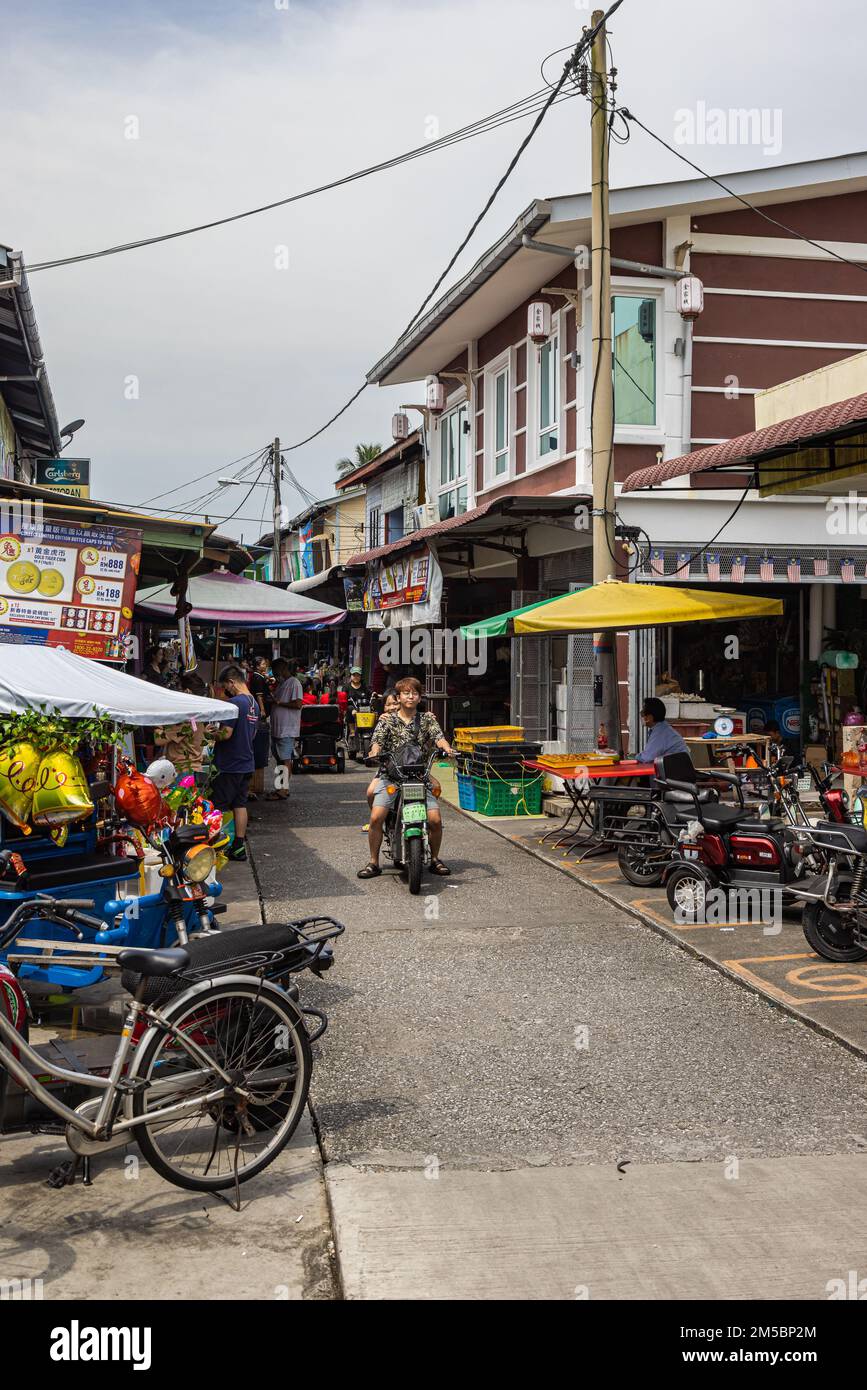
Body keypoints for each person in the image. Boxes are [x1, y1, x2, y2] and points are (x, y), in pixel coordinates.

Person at [358, 676, 455, 880]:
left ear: (420, 697)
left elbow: (439, 737)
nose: (410, 696)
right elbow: (377, 741)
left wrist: (447, 749)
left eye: (414, 693)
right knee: (376, 817)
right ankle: (374, 862)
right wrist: (375, 752)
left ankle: (435, 859)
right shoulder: (388, 720)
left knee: (435, 820)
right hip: (392, 776)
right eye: (406, 693)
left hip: (420, 777)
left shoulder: (428, 719)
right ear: (399, 697)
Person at [211, 665, 260, 861]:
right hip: (246, 761)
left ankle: (218, 845)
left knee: (219, 805)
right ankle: (239, 846)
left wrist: (210, 734)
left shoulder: (234, 704)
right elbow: (253, 733)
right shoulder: (253, 703)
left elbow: (226, 733)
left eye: (226, 687)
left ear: (232, 682)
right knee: (240, 804)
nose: (226, 691)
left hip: (229, 763)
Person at [153, 673, 210, 786]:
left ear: (187, 692)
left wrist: (157, 722)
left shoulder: (185, 720)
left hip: (183, 773)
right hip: (194, 771)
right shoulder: (198, 715)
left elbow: (158, 740)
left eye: (179, 689)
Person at [268, 657, 303, 801]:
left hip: (287, 729)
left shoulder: (294, 683)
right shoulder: (282, 683)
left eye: (275, 670)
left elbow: (298, 704)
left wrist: (278, 702)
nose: (275, 674)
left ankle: (283, 790)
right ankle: (279, 788)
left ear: (282, 669)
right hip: (278, 729)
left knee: (285, 759)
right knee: (280, 760)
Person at [636, 696, 688, 765]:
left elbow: (646, 758)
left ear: (649, 717)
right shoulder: (662, 728)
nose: (641, 715)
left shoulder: (660, 732)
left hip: (674, 773)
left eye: (643, 713)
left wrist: (634, 756)